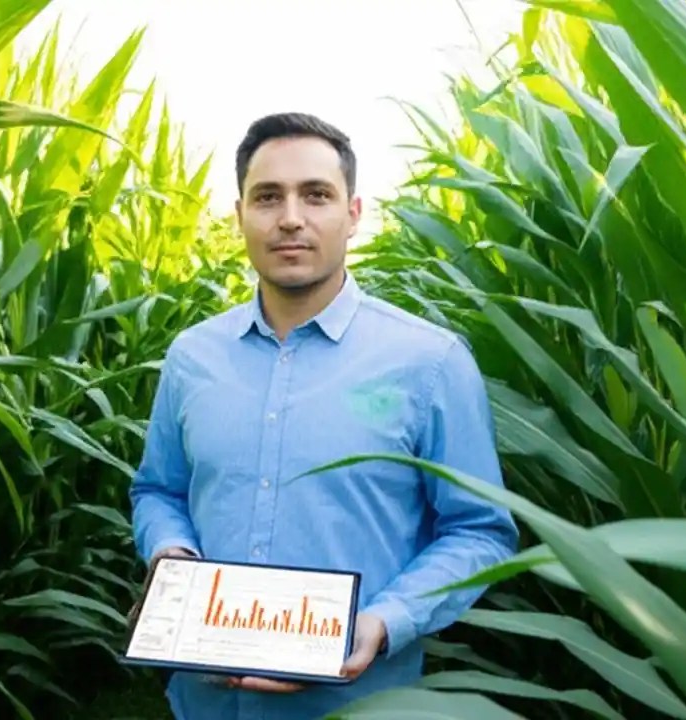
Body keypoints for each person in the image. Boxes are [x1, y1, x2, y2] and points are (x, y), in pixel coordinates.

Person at [127, 112, 519, 720]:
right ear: (239, 217)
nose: (290, 217)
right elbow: (158, 489)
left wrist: (386, 622)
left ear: (354, 215)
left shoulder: (429, 362)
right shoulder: (191, 358)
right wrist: (172, 557)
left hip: (358, 705)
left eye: (316, 195)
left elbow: (479, 531)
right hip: (203, 703)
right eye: (267, 197)